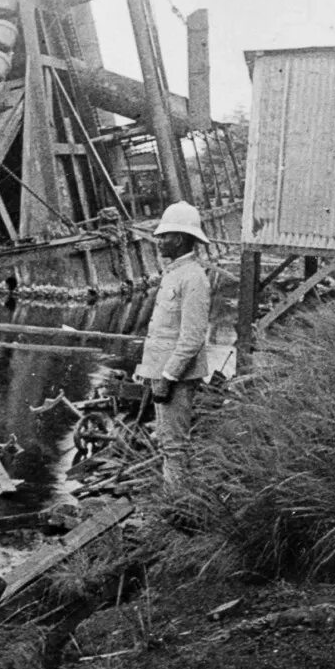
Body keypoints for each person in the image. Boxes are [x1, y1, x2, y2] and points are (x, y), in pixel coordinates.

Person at [135, 201, 211, 482]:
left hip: (175, 375)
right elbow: (163, 331)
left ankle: (177, 509)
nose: (159, 241)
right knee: (168, 443)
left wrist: (167, 376)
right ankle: (176, 505)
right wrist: (148, 371)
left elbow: (192, 338)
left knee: (174, 446)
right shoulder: (176, 274)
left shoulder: (193, 278)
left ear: (179, 239)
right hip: (163, 373)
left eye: (165, 236)